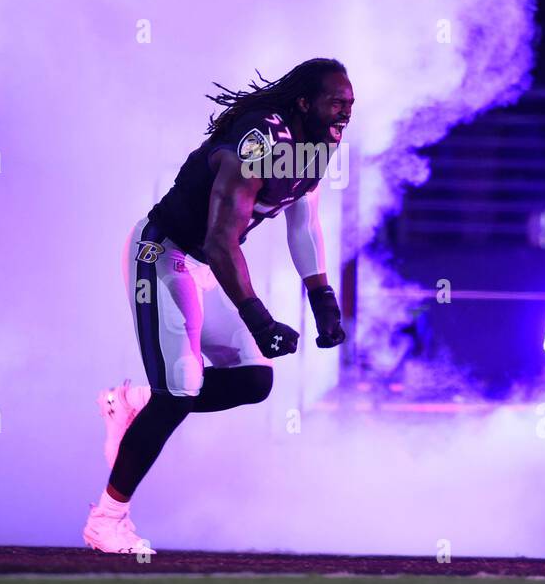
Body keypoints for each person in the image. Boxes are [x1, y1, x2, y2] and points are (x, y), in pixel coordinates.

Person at [83, 59, 353, 554]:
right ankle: (106, 519)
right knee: (182, 387)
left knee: (254, 378)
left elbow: (302, 221)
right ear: (302, 103)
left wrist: (323, 298)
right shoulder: (257, 141)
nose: (346, 111)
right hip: (163, 253)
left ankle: (135, 403)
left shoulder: (320, 144)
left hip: (204, 264)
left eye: (350, 102)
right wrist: (260, 317)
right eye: (336, 101)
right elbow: (221, 240)